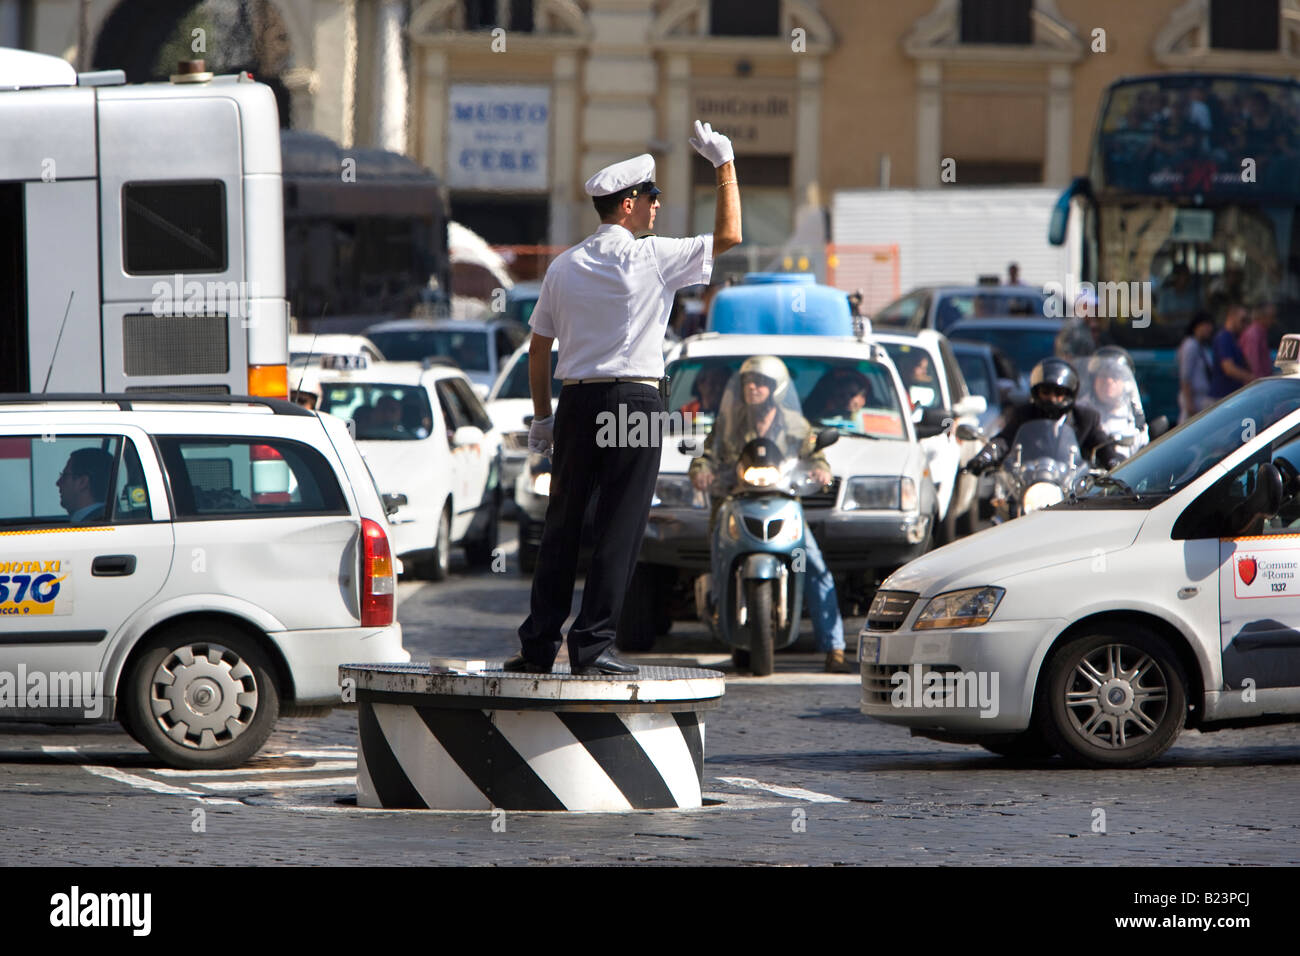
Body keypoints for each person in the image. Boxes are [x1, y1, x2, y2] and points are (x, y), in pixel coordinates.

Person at [507, 122, 742, 675]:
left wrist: (543, 418)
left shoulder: (563, 266)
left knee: (562, 526)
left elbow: (539, 351)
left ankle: (539, 647)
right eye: (653, 198)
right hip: (634, 404)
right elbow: (729, 236)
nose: (658, 208)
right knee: (620, 523)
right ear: (630, 203)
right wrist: (724, 166)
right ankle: (591, 648)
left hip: (578, 404)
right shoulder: (652, 257)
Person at [686, 356, 850, 672]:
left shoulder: (795, 424)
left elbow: (816, 457)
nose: (752, 387)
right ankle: (723, 611)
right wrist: (701, 471)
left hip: (785, 505)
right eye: (748, 382)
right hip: (736, 503)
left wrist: (819, 472)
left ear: (776, 389)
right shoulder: (729, 422)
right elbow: (707, 456)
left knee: (812, 565)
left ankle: (835, 647)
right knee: (722, 558)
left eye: (760, 382)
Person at [965, 357, 1125, 476]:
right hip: (1029, 483)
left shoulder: (1086, 418)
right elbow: (1004, 440)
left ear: (1070, 394)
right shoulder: (1024, 414)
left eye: (1058, 393)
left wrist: (1113, 462)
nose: (1052, 398)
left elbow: (1103, 445)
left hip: (1072, 491)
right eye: (1046, 392)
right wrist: (985, 456)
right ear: (1036, 392)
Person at [1078, 348, 1148, 459]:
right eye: (1103, 376)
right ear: (1093, 380)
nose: (1109, 382)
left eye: (1115, 376)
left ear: (1125, 382)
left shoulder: (1134, 416)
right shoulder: (1080, 411)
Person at [1208, 304, 1254, 399]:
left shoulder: (1234, 338)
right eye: (1243, 320)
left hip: (1229, 397)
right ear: (1232, 317)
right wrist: (1253, 379)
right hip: (1222, 398)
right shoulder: (1224, 337)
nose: (1245, 325)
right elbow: (1229, 369)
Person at [1177, 311, 1216, 423]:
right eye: (1206, 325)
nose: (1210, 329)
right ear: (1197, 326)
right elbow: (1185, 376)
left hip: (1203, 398)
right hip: (1194, 398)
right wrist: (1189, 402)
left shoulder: (1202, 346)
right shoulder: (1190, 345)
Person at [58, 448, 113, 523]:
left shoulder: (87, 527)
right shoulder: (104, 519)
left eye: (65, 476)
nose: (58, 483)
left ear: (83, 482)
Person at [1239, 301, 1276, 380]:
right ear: (1262, 316)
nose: (1273, 321)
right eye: (1272, 317)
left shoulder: (1261, 333)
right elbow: (1253, 365)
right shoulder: (1253, 334)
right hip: (1259, 385)